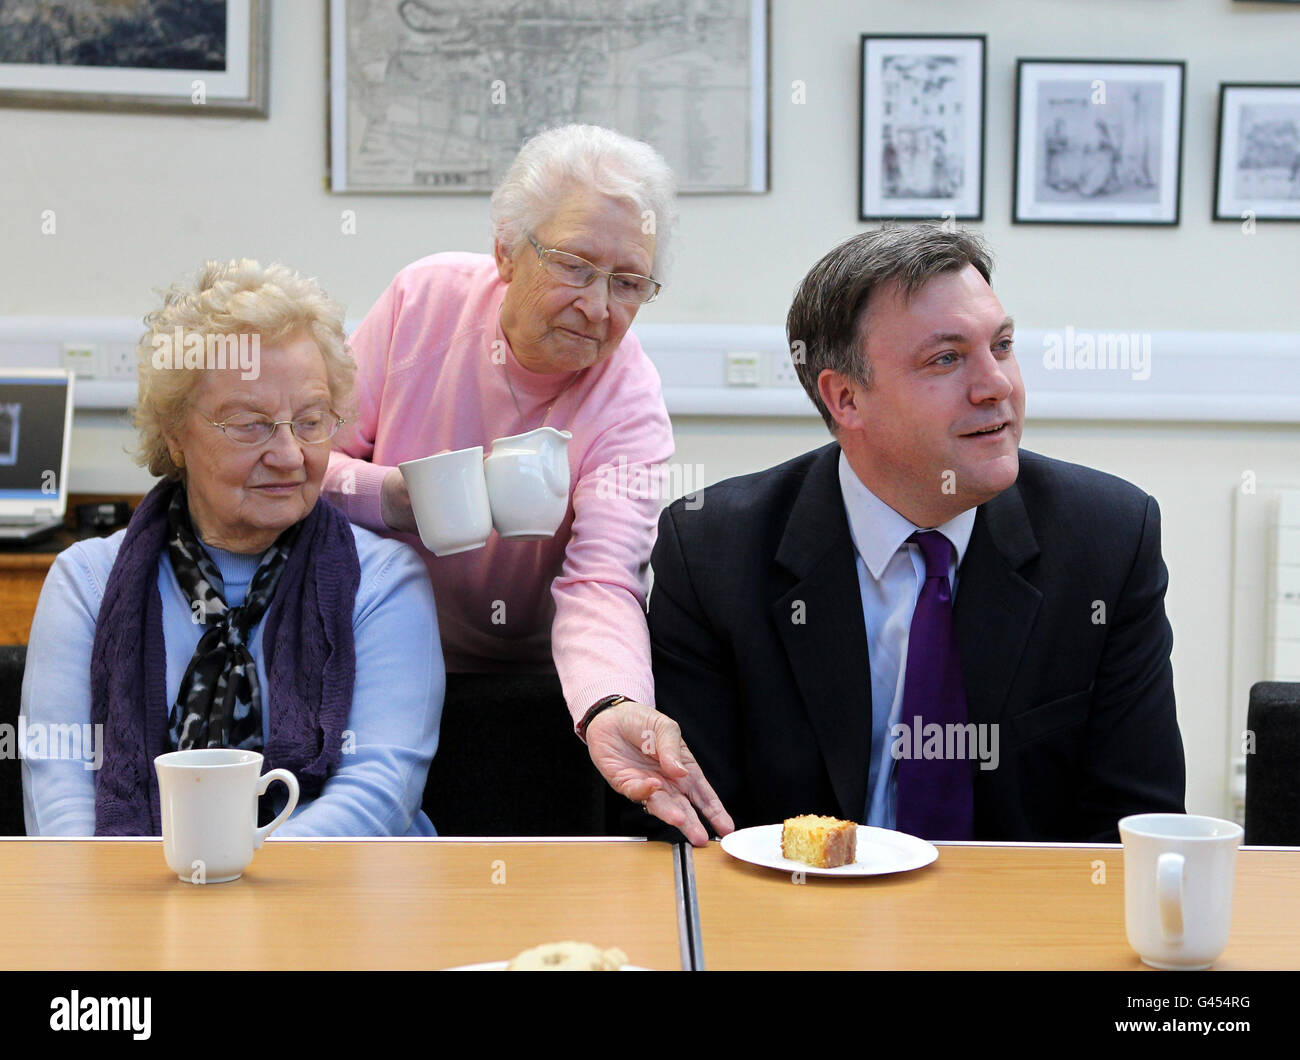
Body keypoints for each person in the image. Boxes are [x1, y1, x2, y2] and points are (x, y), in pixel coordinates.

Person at [628, 225, 1185, 843]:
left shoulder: (1106, 538)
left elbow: (1136, 823)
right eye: (946, 359)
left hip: (1018, 925)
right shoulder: (713, 548)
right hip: (800, 919)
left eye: (1000, 346)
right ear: (845, 399)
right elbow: (698, 830)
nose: (995, 385)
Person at [322, 124, 731, 845]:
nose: (600, 307)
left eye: (629, 282)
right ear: (507, 250)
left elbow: (603, 580)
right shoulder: (424, 300)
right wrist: (391, 498)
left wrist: (612, 702)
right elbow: (306, 462)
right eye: (575, 265)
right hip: (370, 659)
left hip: (531, 684)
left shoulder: (629, 404)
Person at [21, 260, 443, 836]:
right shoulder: (86, 583)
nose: (291, 455)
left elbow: (378, 794)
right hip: (133, 911)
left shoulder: (382, 582)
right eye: (251, 425)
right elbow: (60, 804)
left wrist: (226, 896)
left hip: (334, 905)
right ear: (175, 433)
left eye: (312, 421)